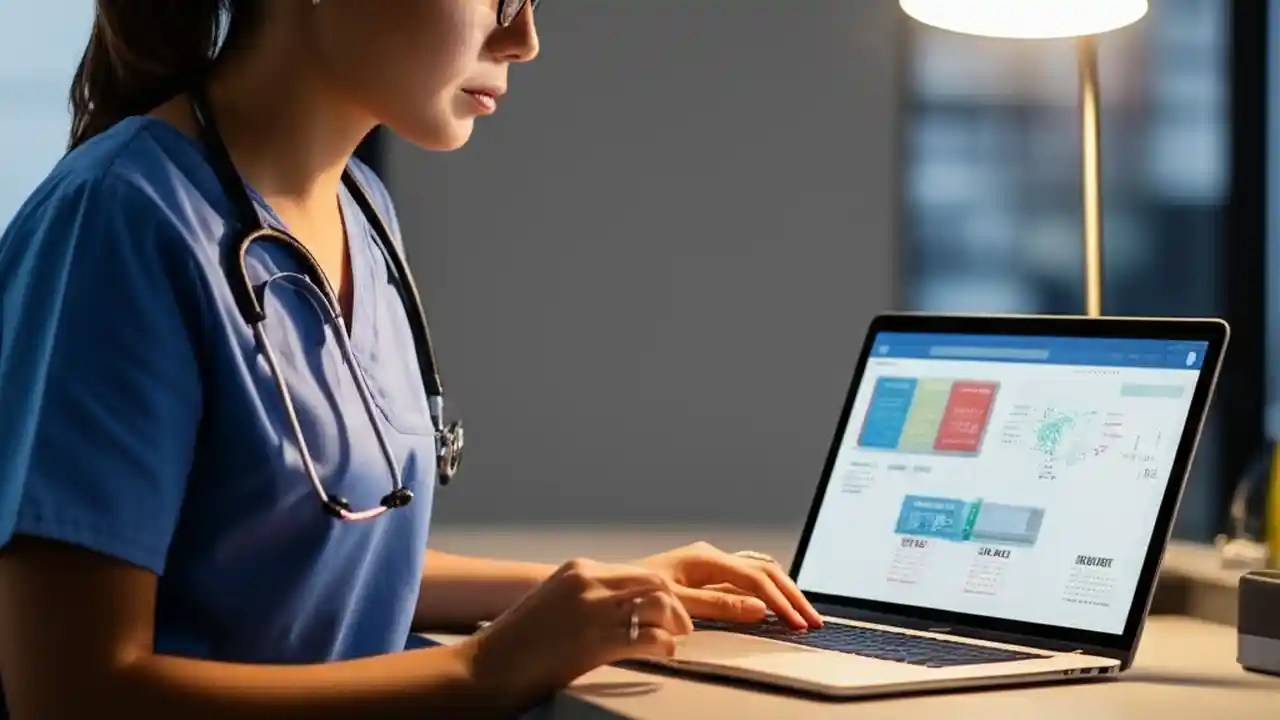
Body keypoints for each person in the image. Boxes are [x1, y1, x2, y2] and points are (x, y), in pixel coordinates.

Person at [0, 1, 822, 718]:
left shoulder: (361, 206)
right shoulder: (119, 221)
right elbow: (73, 692)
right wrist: (485, 669)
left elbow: (306, 556)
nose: (525, 38)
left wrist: (590, 591)